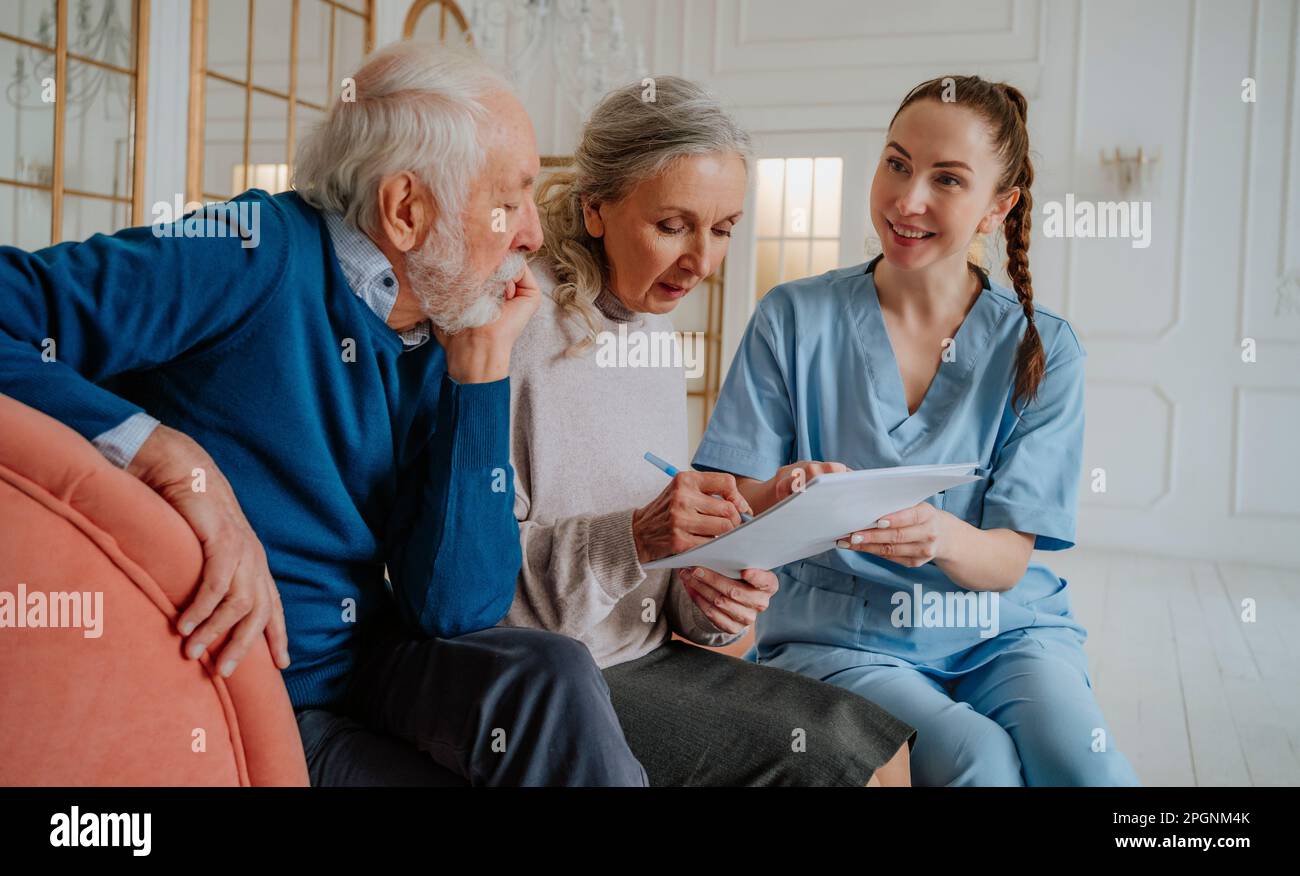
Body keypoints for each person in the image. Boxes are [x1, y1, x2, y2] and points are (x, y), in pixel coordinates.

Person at [0, 40, 647, 787]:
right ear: (406, 210)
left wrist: (480, 373)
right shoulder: (249, 250)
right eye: (510, 200)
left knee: (550, 671)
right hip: (255, 689)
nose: (532, 234)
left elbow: (457, 607)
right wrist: (165, 455)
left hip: (369, 668)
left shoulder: (444, 324)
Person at [692, 75, 1139, 786]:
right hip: (842, 632)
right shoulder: (792, 318)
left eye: (948, 180)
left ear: (1000, 207)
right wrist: (787, 489)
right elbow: (732, 492)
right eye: (897, 163)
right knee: (977, 761)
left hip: (1005, 629)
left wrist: (939, 536)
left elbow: (1006, 562)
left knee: (1085, 767)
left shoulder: (1042, 351)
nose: (908, 200)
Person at [502, 77, 915, 786]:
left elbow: (665, 582)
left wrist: (715, 583)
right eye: (673, 225)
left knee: (881, 746)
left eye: (723, 229)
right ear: (594, 207)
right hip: (553, 672)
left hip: (644, 651)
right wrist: (633, 537)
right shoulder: (513, 325)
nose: (703, 261)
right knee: (843, 763)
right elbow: (477, 585)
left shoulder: (654, 337)